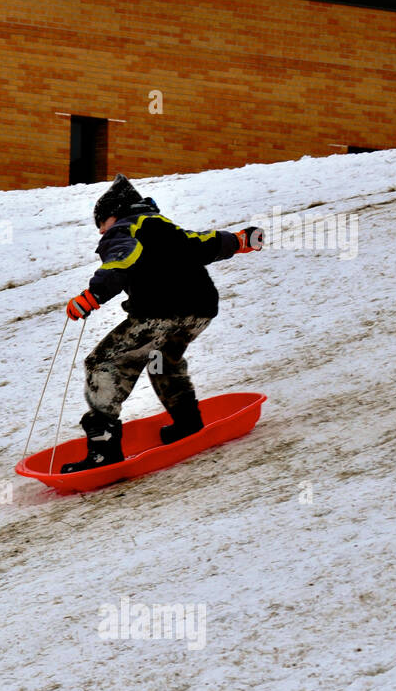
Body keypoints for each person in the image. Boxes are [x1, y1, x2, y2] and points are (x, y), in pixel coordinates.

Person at [61, 174, 263, 473]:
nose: (101, 233)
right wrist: (240, 241)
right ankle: (187, 423)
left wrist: (92, 296)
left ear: (111, 216)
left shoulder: (122, 230)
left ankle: (103, 449)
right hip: (199, 310)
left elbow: (120, 261)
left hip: (158, 312)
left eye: (100, 226)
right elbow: (203, 243)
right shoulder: (165, 227)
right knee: (161, 360)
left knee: (104, 363)